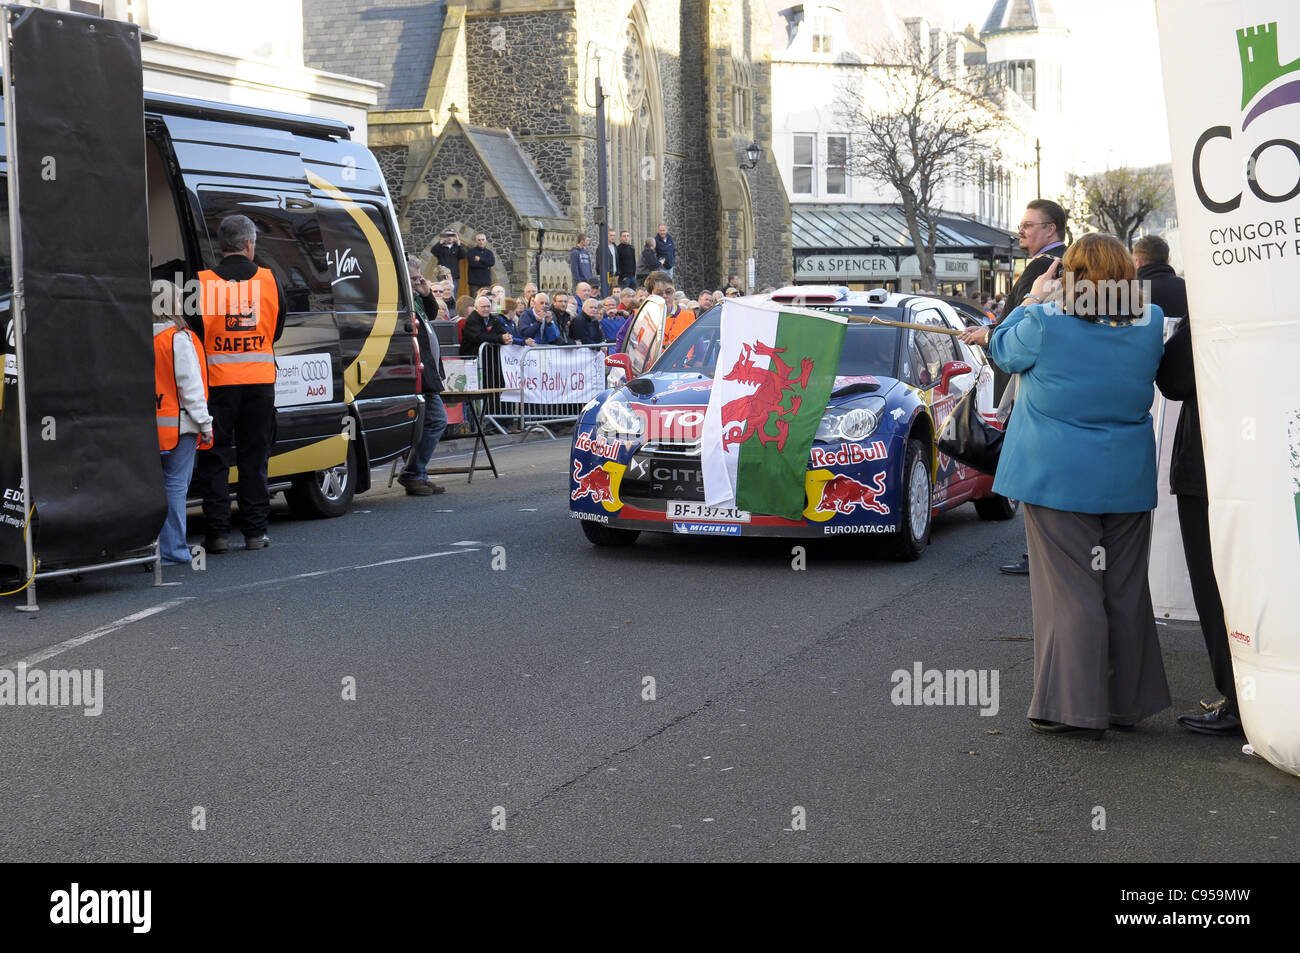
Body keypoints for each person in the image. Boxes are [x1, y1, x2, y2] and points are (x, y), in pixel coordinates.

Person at [961, 233, 1169, 737]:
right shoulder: (1151, 319)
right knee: (1124, 589)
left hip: (1056, 473)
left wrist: (1033, 295)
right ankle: (1126, 702)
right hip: (1125, 472)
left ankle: (1072, 708)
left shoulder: (1044, 320)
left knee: (1071, 591)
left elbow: (1005, 353)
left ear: (1069, 273)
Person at [1141, 237, 1240, 735]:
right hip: (1271, 461)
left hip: (1208, 461)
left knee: (1215, 580)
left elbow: (1173, 381)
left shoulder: (1214, 309)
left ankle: (1238, 698)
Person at [194, 214, 286, 553]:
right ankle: (254, 532)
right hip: (259, 384)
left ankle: (217, 535)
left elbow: (195, 332)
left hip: (217, 385)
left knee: (214, 459)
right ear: (249, 245)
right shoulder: (269, 281)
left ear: (222, 244)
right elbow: (276, 329)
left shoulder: (203, 282)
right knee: (254, 459)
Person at [990, 199, 1071, 576]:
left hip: (1035, 381)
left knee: (1036, 470)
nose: (1020, 231)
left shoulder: (1043, 267)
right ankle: (1059, 552)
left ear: (1050, 229)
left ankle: (1038, 555)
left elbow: (1015, 324)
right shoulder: (1075, 265)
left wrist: (989, 334)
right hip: (1065, 381)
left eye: (1028, 225)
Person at [153, 280, 213, 566]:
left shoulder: (137, 337)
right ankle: (173, 550)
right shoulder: (177, 338)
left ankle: (154, 548)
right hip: (179, 427)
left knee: (155, 487)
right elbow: (190, 387)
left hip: (147, 428)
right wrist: (205, 423)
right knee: (176, 486)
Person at [400, 257, 450, 496]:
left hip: (427, 371)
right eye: (413, 278)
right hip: (417, 371)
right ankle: (413, 472)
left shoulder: (416, 297)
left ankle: (419, 473)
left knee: (427, 424)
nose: (418, 281)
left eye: (420, 277)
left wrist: (425, 291)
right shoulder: (401, 298)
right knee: (436, 420)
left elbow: (430, 315)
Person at [431, 229, 467, 295]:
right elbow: (433, 251)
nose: (450, 237)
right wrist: (441, 242)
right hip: (442, 276)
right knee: (441, 294)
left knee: (453, 294)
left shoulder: (457, 247)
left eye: (452, 235)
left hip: (454, 276)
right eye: (447, 235)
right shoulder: (440, 247)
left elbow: (464, 255)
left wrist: (459, 243)